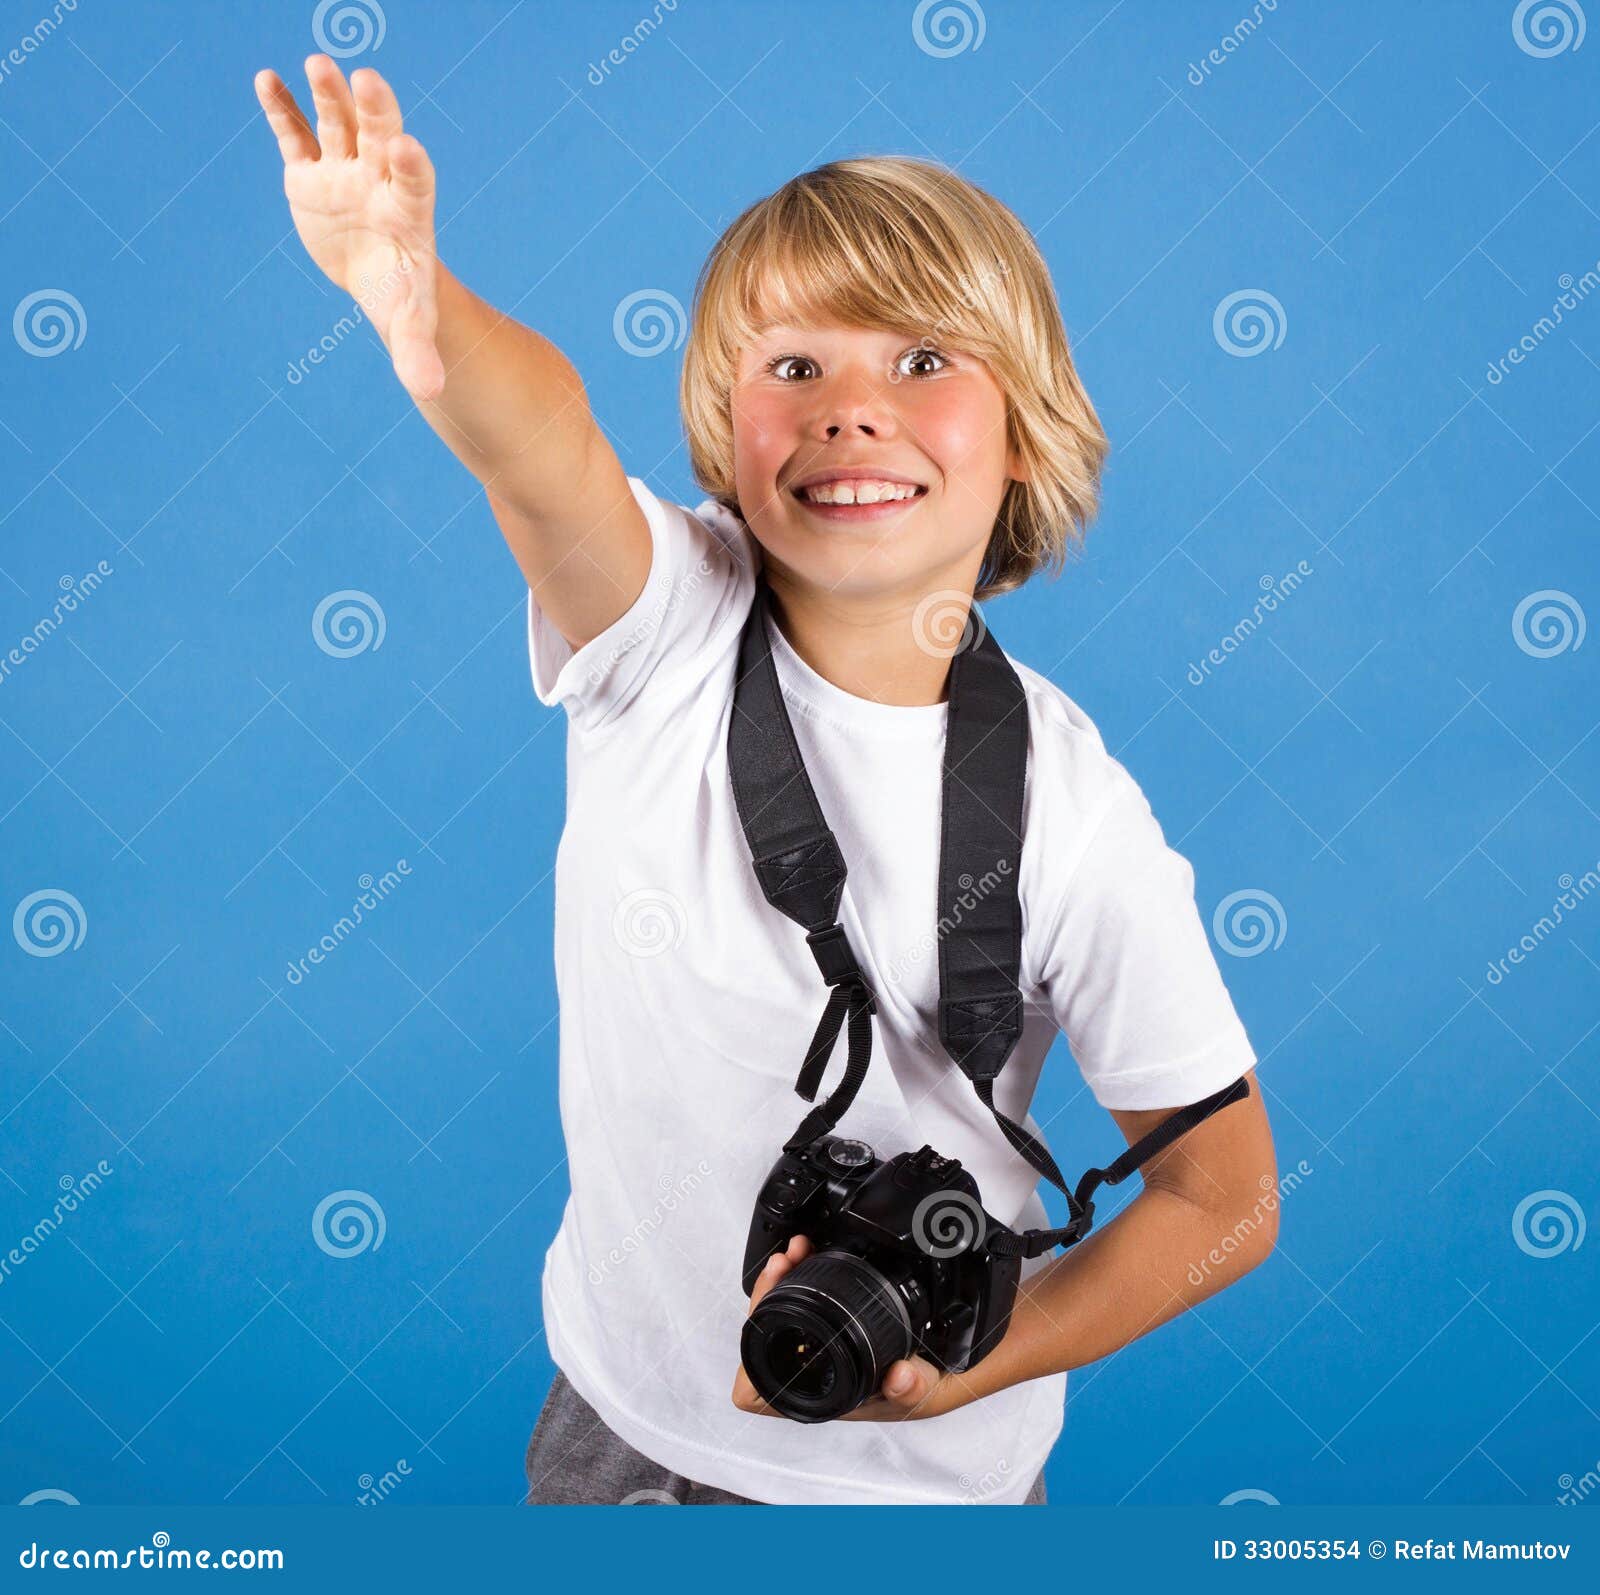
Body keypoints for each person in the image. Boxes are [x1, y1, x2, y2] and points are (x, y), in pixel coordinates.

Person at [253, 56, 1280, 1507]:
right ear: (724, 435)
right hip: (625, 1424)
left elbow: (1224, 1198)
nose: (851, 410)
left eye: (923, 361)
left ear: (1024, 434)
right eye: (794, 367)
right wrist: (421, 315)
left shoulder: (1073, 813)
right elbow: (540, 445)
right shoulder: (661, 632)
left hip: (935, 1490)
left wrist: (986, 1357)